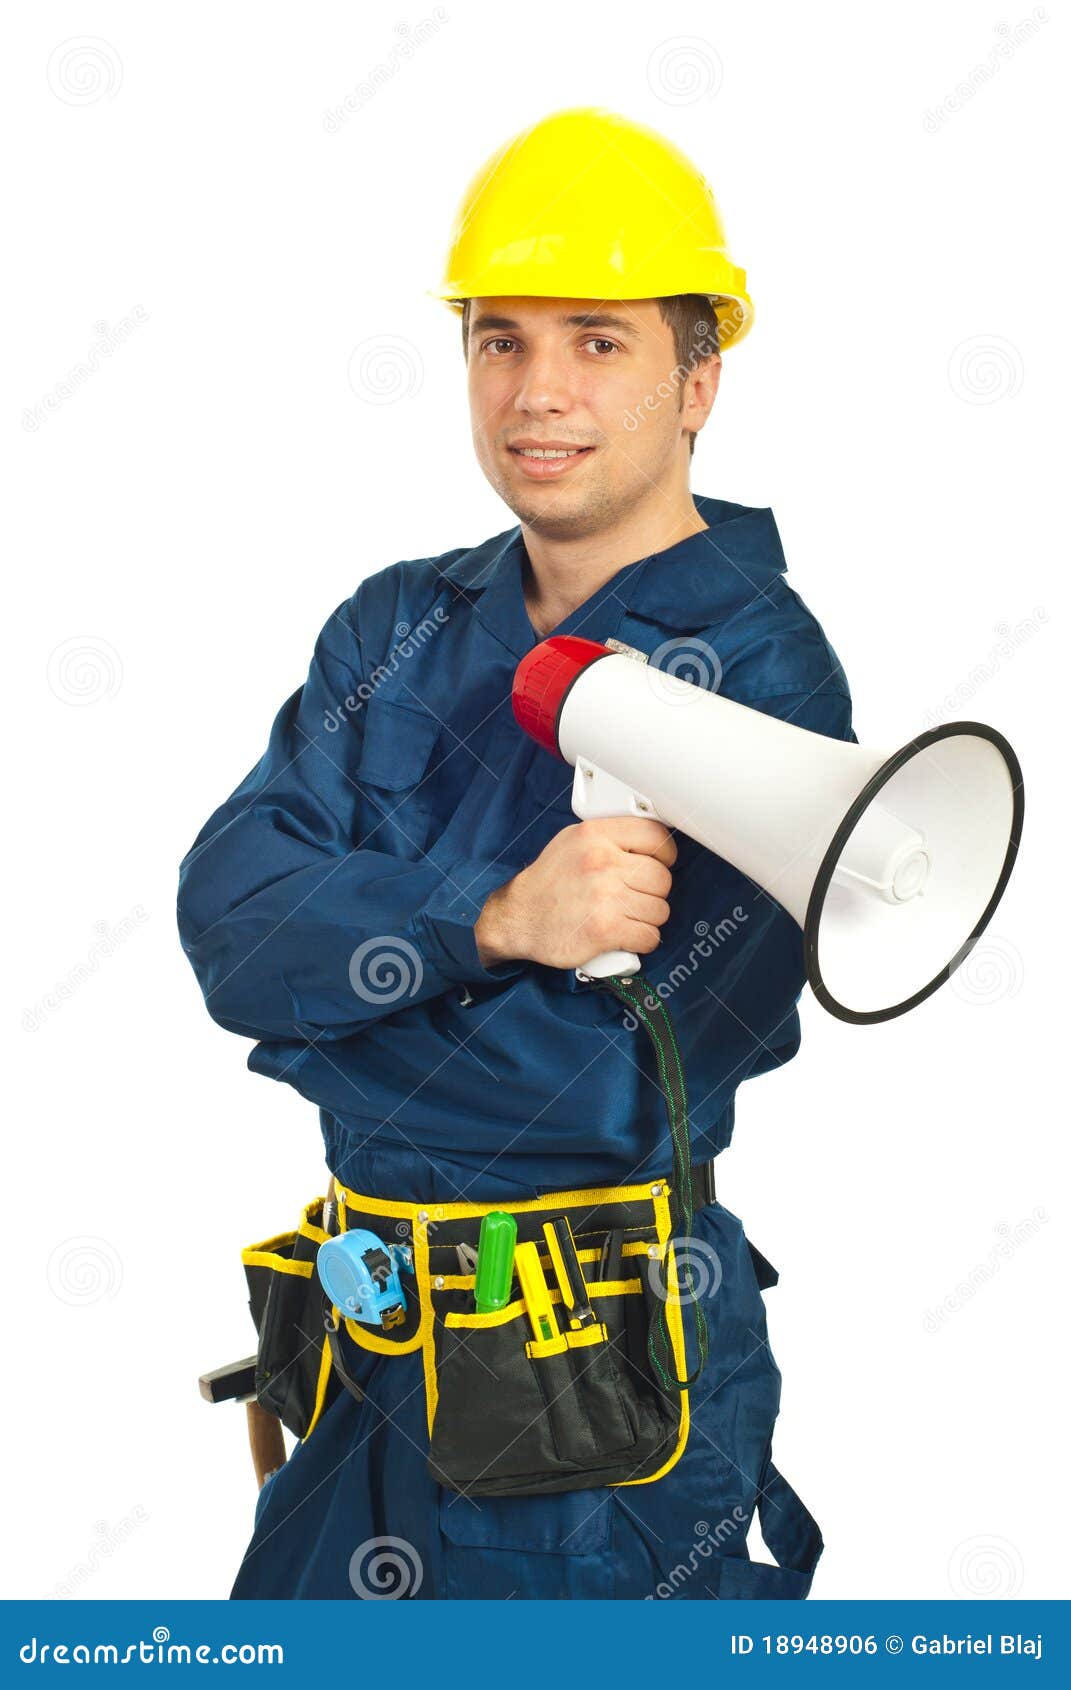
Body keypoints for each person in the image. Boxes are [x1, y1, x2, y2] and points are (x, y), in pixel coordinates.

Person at [177, 108, 854, 1600]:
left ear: (700, 380)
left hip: (594, 1412)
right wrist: (493, 916)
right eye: (500, 339)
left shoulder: (764, 682)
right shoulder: (398, 622)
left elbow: (609, 1087)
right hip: (363, 1367)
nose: (537, 393)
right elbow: (227, 907)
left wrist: (318, 1009)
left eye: (598, 341)